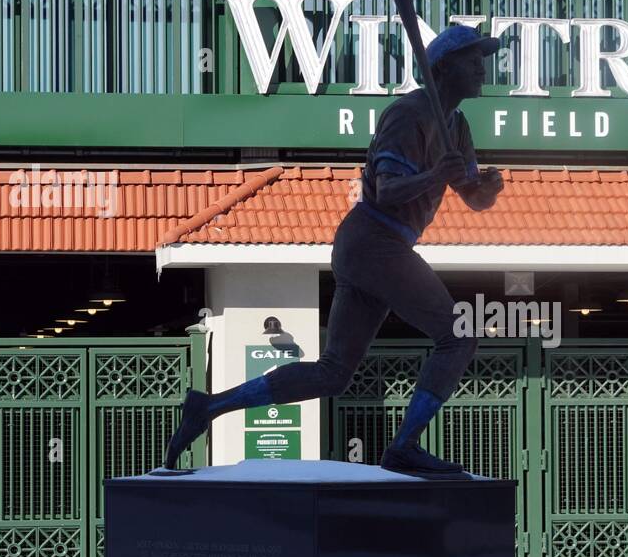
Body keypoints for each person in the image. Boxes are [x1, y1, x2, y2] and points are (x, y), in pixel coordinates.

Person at [163, 24, 505, 478]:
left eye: (482, 58)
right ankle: (404, 446)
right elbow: (386, 191)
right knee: (457, 336)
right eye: (472, 59)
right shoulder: (409, 114)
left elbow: (473, 197)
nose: (483, 68)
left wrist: (487, 187)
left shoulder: (456, 125)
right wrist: (433, 176)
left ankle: (209, 407)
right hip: (374, 238)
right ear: (442, 68)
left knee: (332, 374)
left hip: (378, 245)